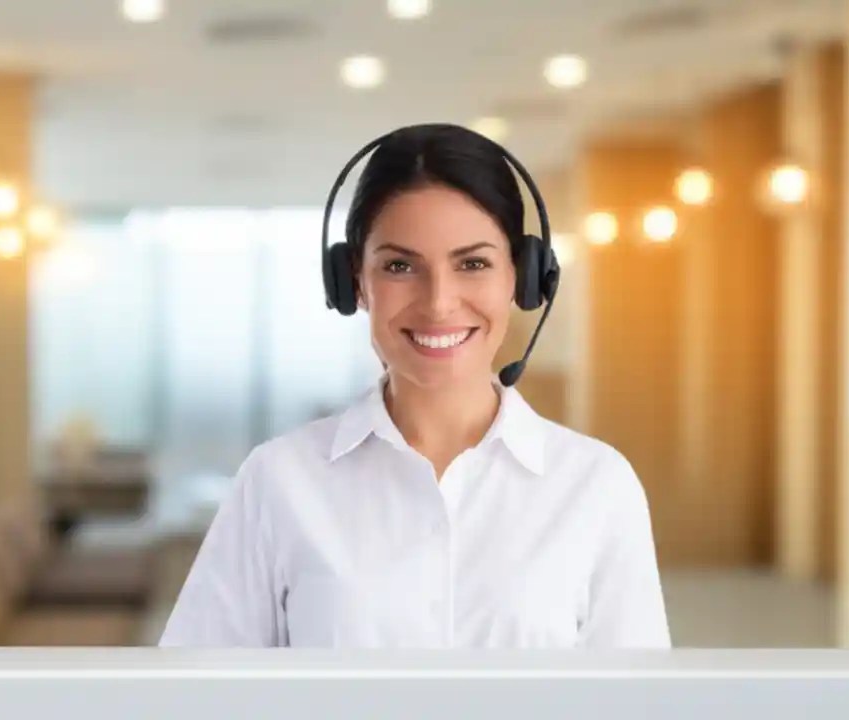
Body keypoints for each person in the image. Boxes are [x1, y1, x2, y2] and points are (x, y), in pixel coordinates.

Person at [158, 124, 669, 649]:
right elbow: (196, 693)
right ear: (353, 281)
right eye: (400, 266)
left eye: (473, 263)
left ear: (523, 277)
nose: (439, 302)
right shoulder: (278, 480)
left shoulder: (596, 484)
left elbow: (638, 702)